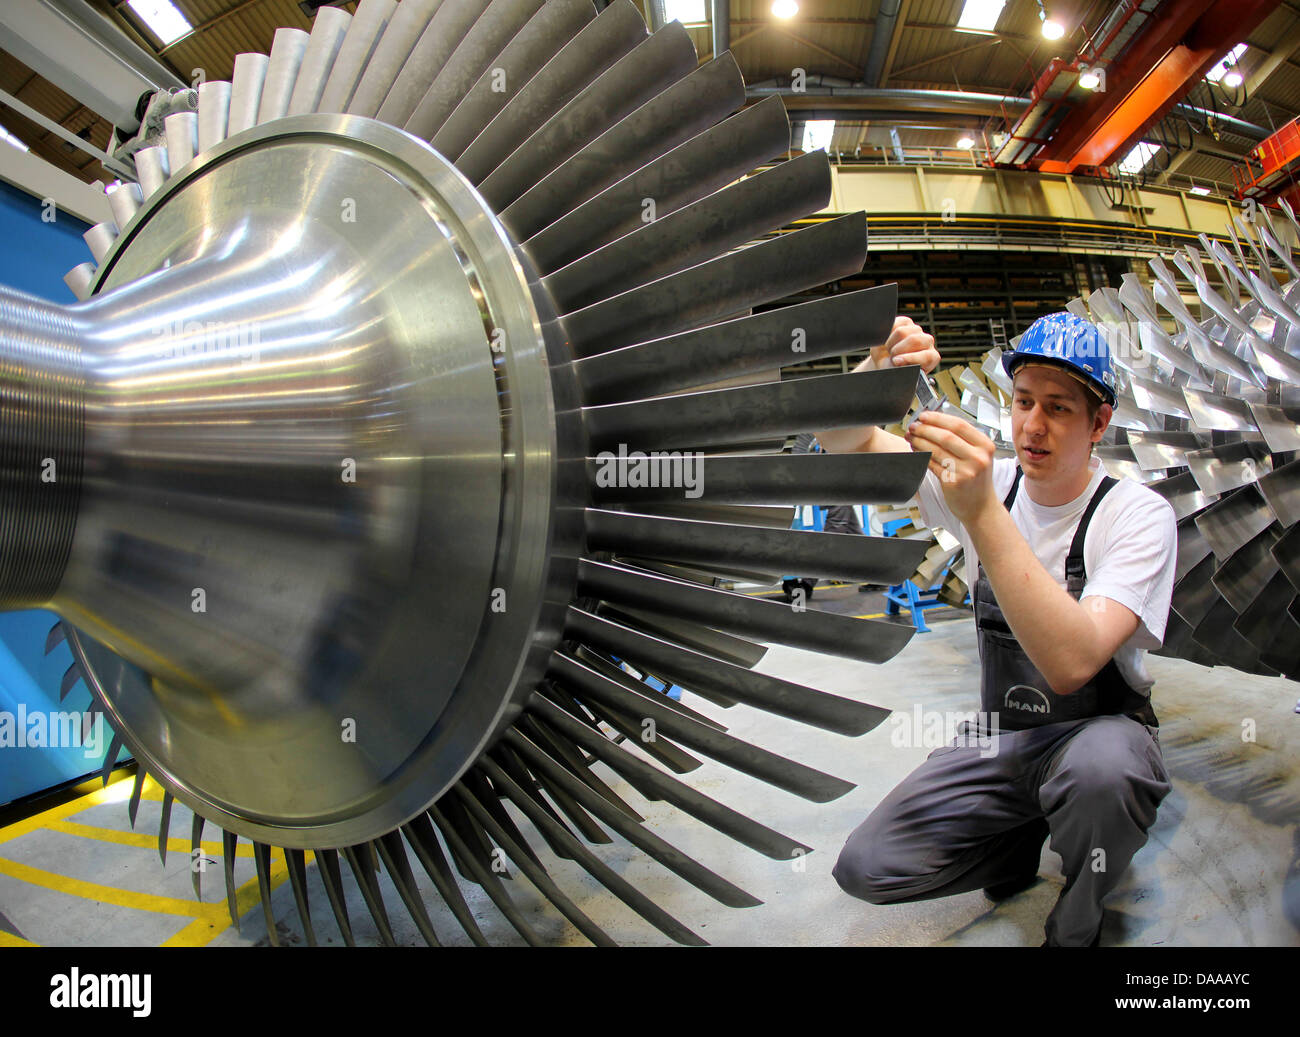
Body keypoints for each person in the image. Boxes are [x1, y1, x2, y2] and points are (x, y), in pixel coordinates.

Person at [820, 311, 1177, 947]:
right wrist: (879, 371)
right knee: (867, 867)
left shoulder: (1135, 515)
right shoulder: (993, 484)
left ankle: (1080, 910)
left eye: (1060, 409)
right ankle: (1015, 837)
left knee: (1103, 774)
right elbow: (841, 443)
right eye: (1023, 401)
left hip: (1099, 730)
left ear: (1100, 423)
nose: (1032, 426)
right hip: (1005, 735)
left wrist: (980, 512)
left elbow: (1072, 663)